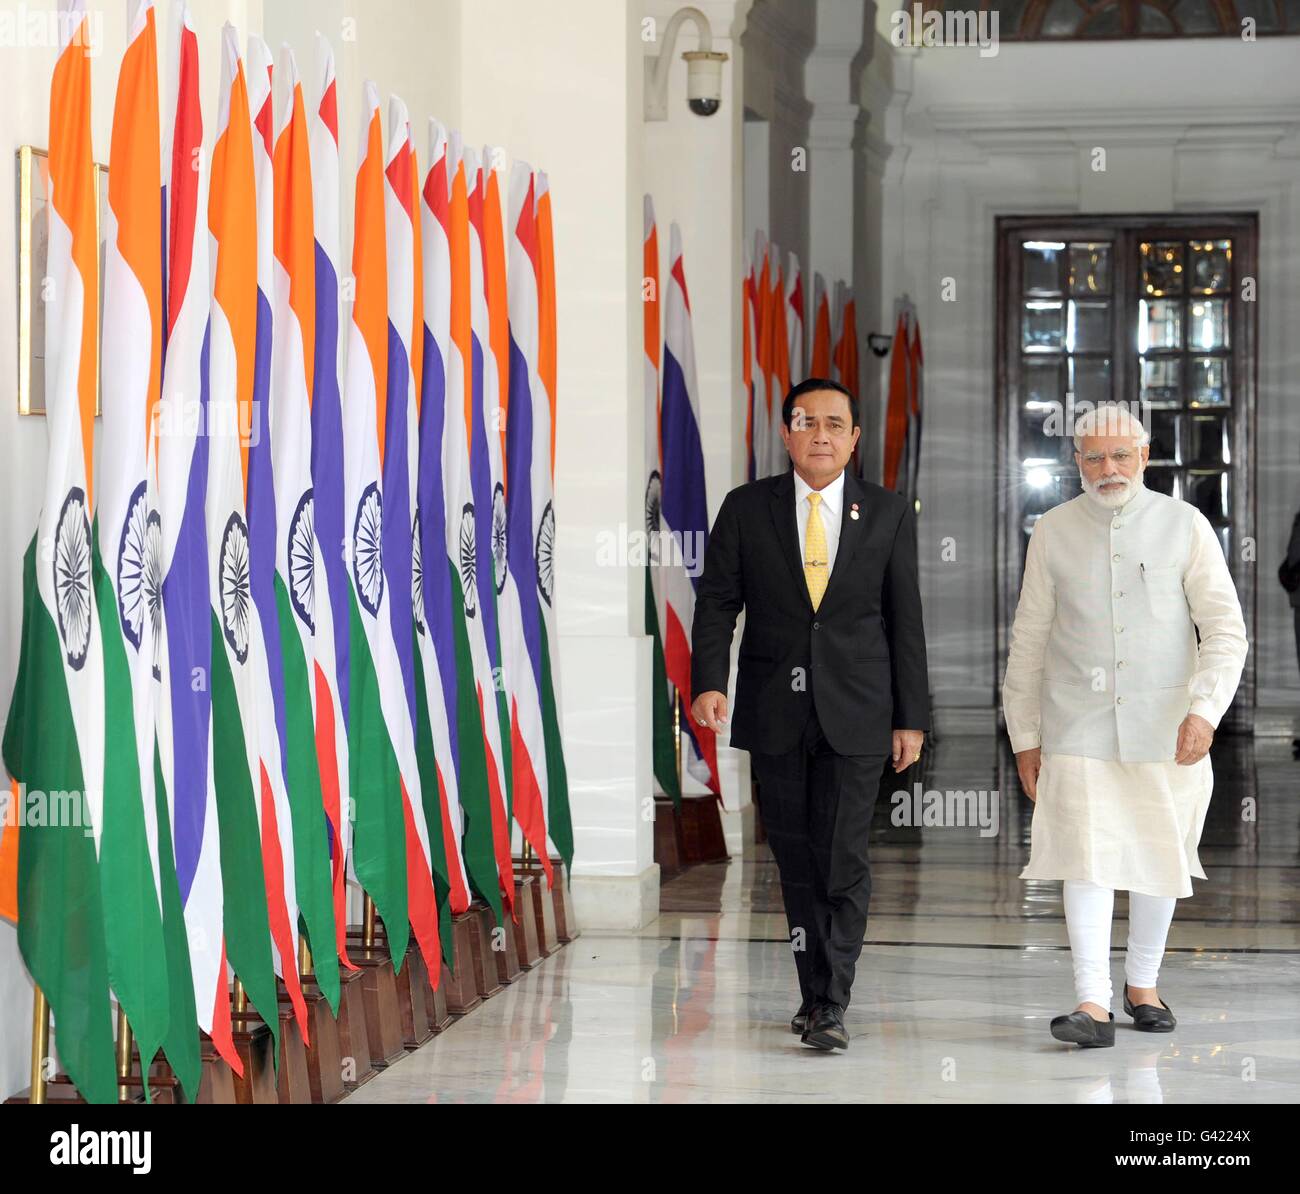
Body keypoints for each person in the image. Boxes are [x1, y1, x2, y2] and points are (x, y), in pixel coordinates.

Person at [689, 377, 930, 1052]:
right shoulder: (746, 508)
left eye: (835, 423)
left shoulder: (886, 512)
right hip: (775, 710)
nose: (820, 434)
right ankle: (812, 990)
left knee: (843, 856)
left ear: (854, 439)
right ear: (787, 433)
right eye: (807, 422)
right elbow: (717, 603)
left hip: (859, 712)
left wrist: (911, 718)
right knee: (795, 860)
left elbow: (904, 620)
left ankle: (832, 1002)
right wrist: (709, 680)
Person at [1002, 402, 1248, 1048]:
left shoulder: (1184, 525)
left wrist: (1205, 709)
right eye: (1093, 457)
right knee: (1084, 856)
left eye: (1120, 456)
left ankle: (1143, 984)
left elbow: (1225, 630)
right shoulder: (1052, 531)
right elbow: (1029, 639)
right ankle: (1092, 1001)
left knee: (1154, 852)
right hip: (1075, 723)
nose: (1107, 468)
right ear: (1075, 463)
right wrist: (1025, 736)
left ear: (1143, 458)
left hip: (1166, 725)